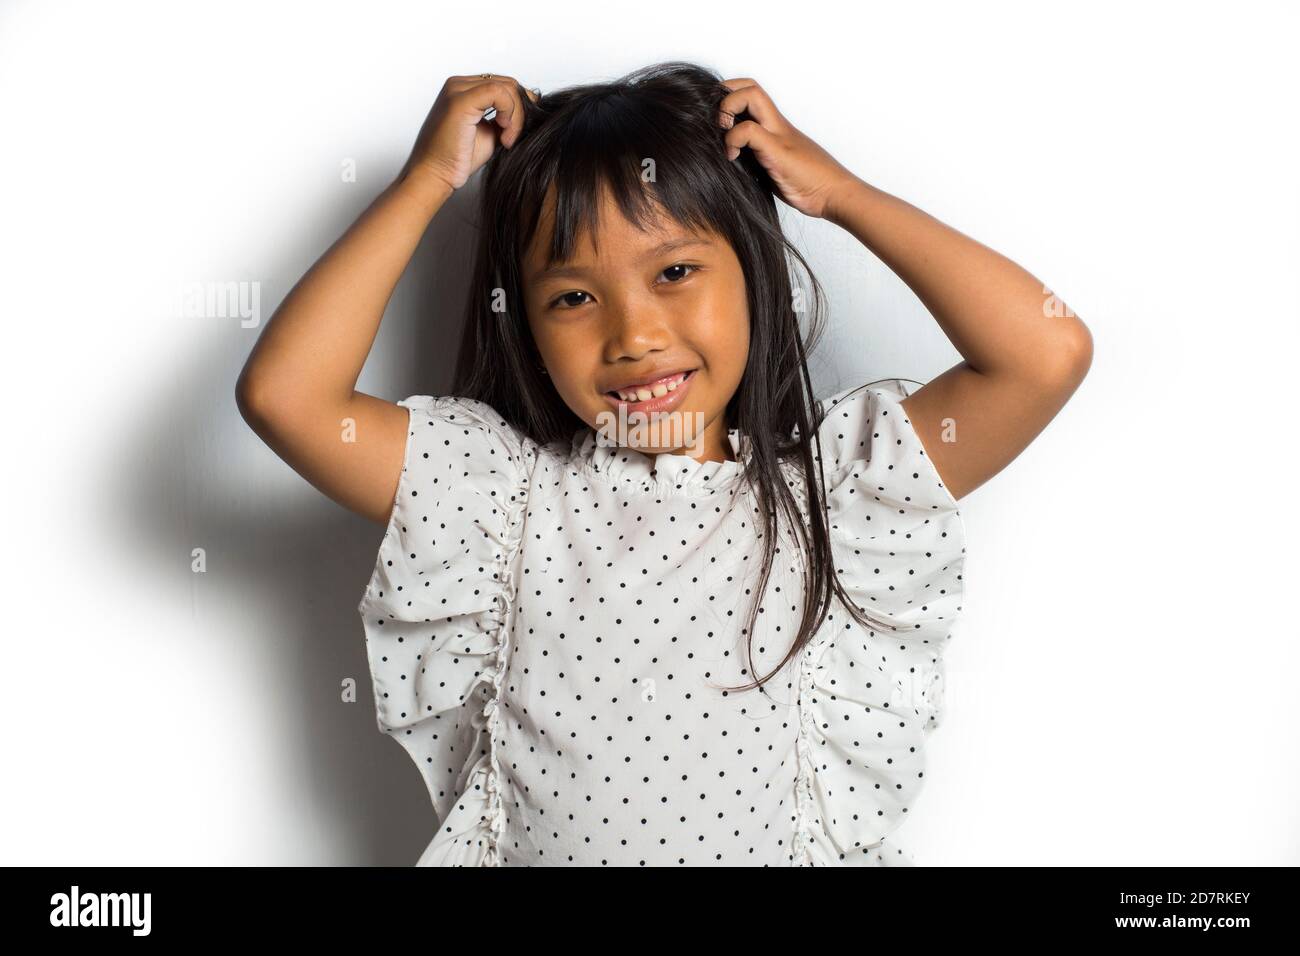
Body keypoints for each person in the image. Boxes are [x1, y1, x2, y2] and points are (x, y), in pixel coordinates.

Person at [236, 61, 1092, 866]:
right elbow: (287, 397)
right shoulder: (496, 494)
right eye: (573, 296)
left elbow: (1044, 352)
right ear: (524, 323)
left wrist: (841, 195)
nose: (634, 336)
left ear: (755, 276)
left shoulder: (837, 492)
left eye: (676, 270)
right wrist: (425, 182)